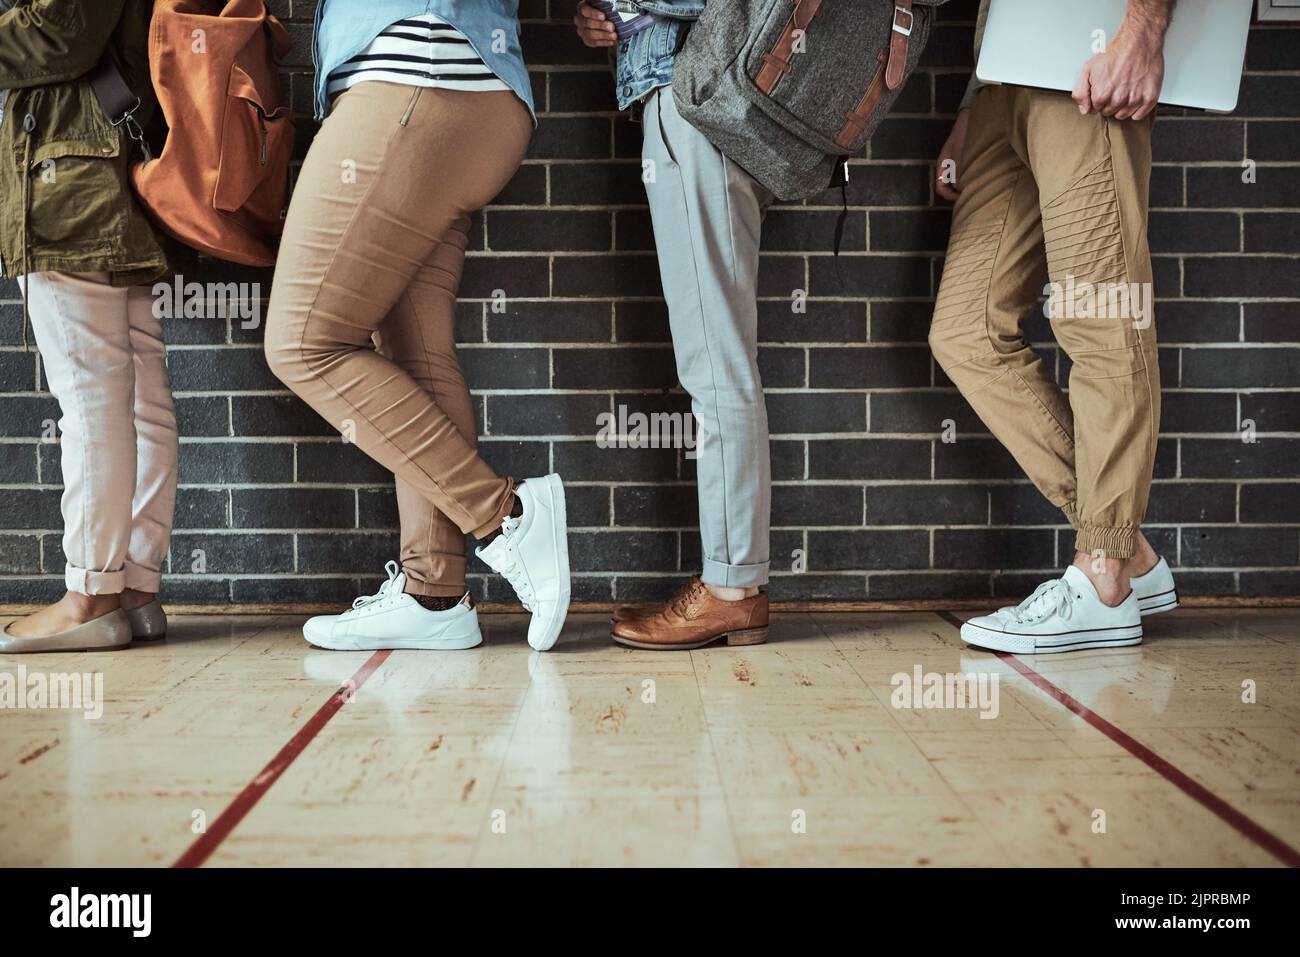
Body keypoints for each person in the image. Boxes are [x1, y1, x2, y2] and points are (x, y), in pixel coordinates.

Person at [264, 0, 571, 653]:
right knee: (416, 353)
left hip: (418, 78)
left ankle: (505, 515)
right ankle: (434, 596)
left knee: (303, 343)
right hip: (465, 94)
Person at [930, 0, 1180, 654]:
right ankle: (1129, 552)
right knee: (966, 330)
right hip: (1003, 78)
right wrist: (972, 98)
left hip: (1089, 60)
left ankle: (1104, 580)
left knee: (1100, 318)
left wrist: (1145, 30)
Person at [575, 0, 773, 651]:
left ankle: (732, 588)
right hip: (699, 96)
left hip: (696, 101)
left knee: (715, 361)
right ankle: (732, 581)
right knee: (716, 356)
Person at [0, 0, 176, 653]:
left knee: (92, 400)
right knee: (136, 401)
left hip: (71, 185)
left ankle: (91, 596)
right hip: (119, 175)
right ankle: (132, 586)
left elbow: (59, 33)